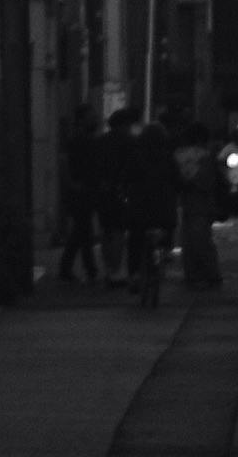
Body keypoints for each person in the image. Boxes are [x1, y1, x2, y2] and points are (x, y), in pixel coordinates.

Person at [124, 112, 181, 311]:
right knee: (166, 232)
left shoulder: (136, 158)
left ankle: (134, 274)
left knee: (135, 240)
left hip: (139, 208)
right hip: (164, 209)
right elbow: (178, 181)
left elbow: (126, 179)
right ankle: (163, 254)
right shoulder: (168, 159)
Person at [54, 98, 103, 290]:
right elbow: (64, 163)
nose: (96, 120)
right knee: (84, 230)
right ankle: (89, 270)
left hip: (85, 189)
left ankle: (68, 268)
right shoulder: (75, 139)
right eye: (91, 117)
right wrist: (71, 184)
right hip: (79, 190)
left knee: (81, 230)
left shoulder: (85, 139)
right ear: (82, 119)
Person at [92, 107, 137, 295]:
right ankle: (117, 271)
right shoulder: (129, 142)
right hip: (121, 190)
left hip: (103, 192)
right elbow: (131, 166)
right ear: (124, 125)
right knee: (118, 230)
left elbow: (95, 167)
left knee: (106, 231)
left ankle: (109, 269)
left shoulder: (100, 142)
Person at [174, 120, 224, 291]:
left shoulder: (181, 155)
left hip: (193, 203)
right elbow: (209, 181)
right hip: (201, 203)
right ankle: (207, 273)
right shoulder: (206, 156)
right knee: (201, 240)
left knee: (192, 240)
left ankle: (197, 273)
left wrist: (186, 183)